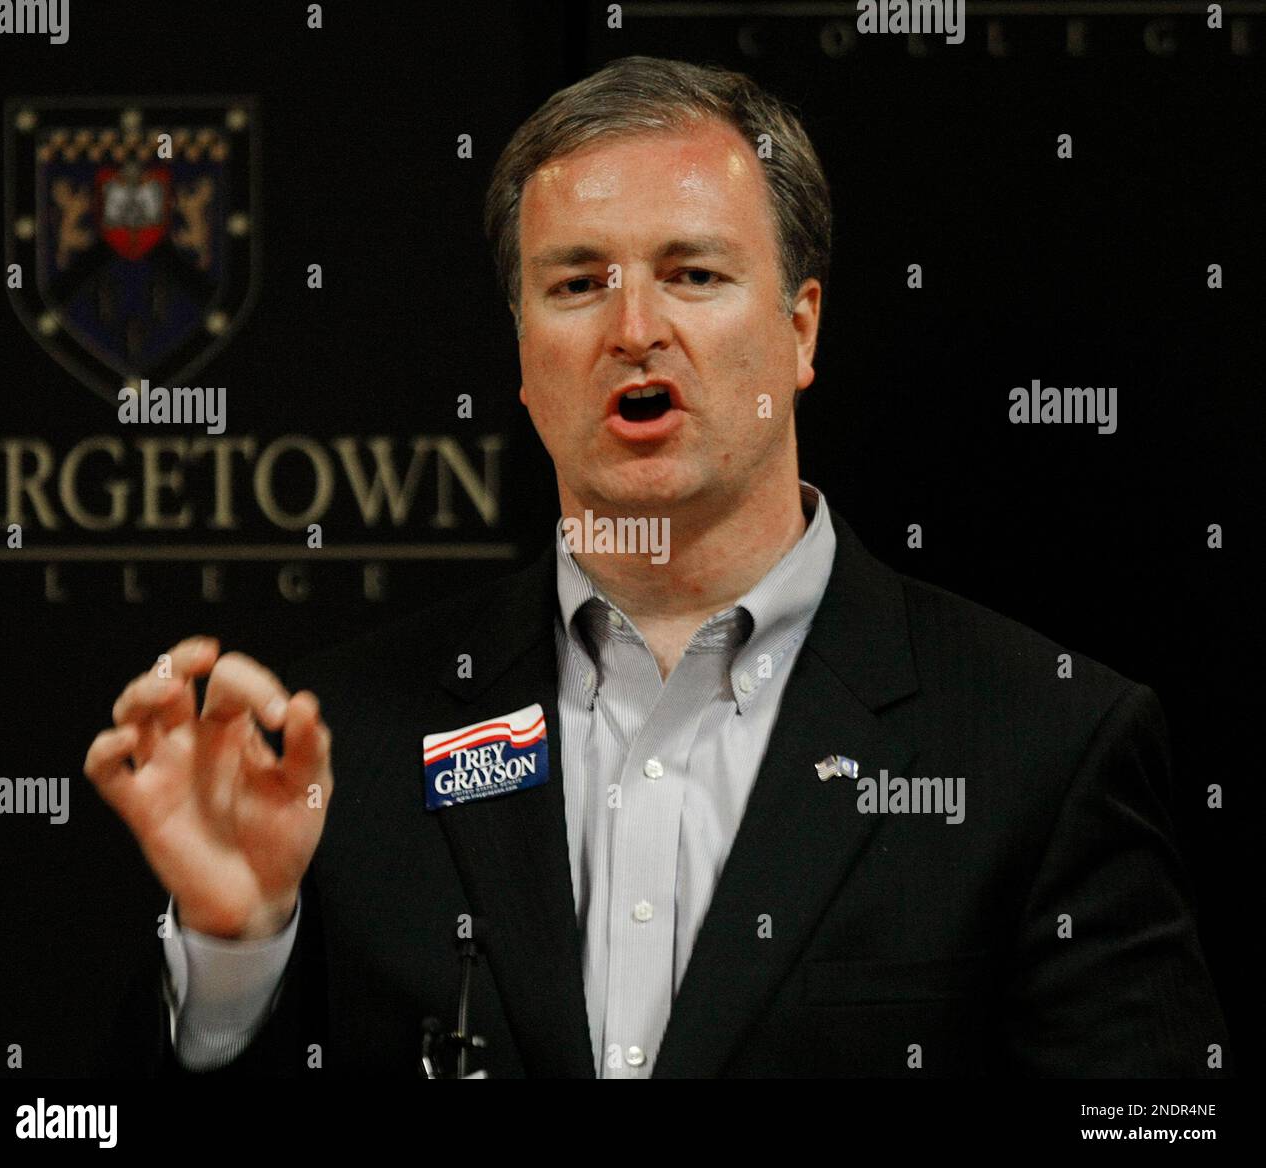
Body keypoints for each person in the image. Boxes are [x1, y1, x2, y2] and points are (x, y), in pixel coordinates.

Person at [84, 55, 1231, 1079]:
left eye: (692, 273)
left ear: (801, 330)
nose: (633, 327)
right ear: (524, 359)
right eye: (577, 283)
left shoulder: (1041, 741)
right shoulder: (342, 751)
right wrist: (234, 955)